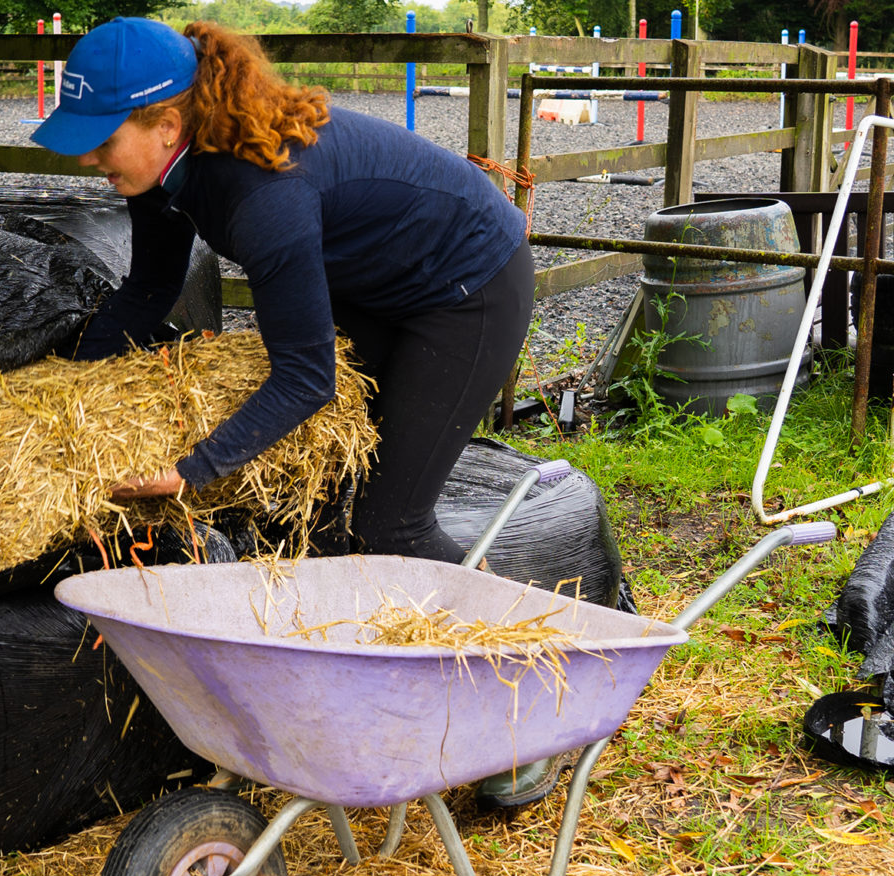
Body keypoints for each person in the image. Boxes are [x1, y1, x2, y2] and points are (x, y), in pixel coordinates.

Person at [33, 18, 558, 809]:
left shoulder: (260, 197)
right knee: (330, 498)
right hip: (380, 280)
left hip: (468, 285)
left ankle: (530, 675)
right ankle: (390, 689)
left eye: (101, 140)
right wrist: (58, 388)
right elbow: (146, 293)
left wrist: (193, 467)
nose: (87, 159)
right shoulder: (168, 173)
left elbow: (305, 376)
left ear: (166, 124)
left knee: (392, 521)